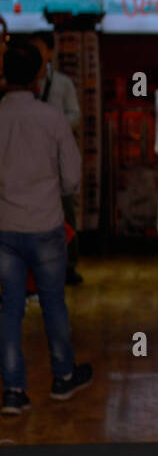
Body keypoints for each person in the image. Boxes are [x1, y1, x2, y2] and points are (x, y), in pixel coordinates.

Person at [0, 40, 92, 415]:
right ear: (40, 75)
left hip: (5, 227)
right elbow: (72, 179)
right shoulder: (52, 118)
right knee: (54, 302)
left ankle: (13, 391)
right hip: (46, 225)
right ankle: (62, 377)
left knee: (9, 307)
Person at [30, 30, 82, 285]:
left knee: (66, 210)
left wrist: (55, 126)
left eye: (40, 48)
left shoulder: (62, 83)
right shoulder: (21, 85)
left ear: (50, 52)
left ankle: (69, 264)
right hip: (31, 159)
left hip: (56, 156)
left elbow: (75, 114)